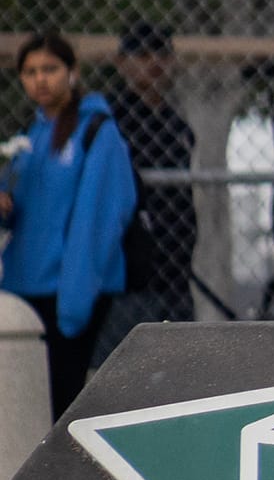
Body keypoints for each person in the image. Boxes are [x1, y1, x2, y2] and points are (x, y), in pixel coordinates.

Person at [1, 32, 139, 418]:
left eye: (50, 69)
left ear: (72, 72)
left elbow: (98, 220)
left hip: (69, 292)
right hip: (24, 289)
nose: (40, 79)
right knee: (26, 409)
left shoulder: (97, 132)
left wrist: (74, 302)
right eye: (29, 72)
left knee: (62, 407)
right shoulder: (28, 139)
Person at [90, 24, 199, 363]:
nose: (153, 62)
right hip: (127, 272)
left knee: (179, 371)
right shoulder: (109, 120)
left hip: (175, 271)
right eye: (142, 54)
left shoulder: (176, 125)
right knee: (125, 368)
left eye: (162, 53)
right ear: (122, 62)